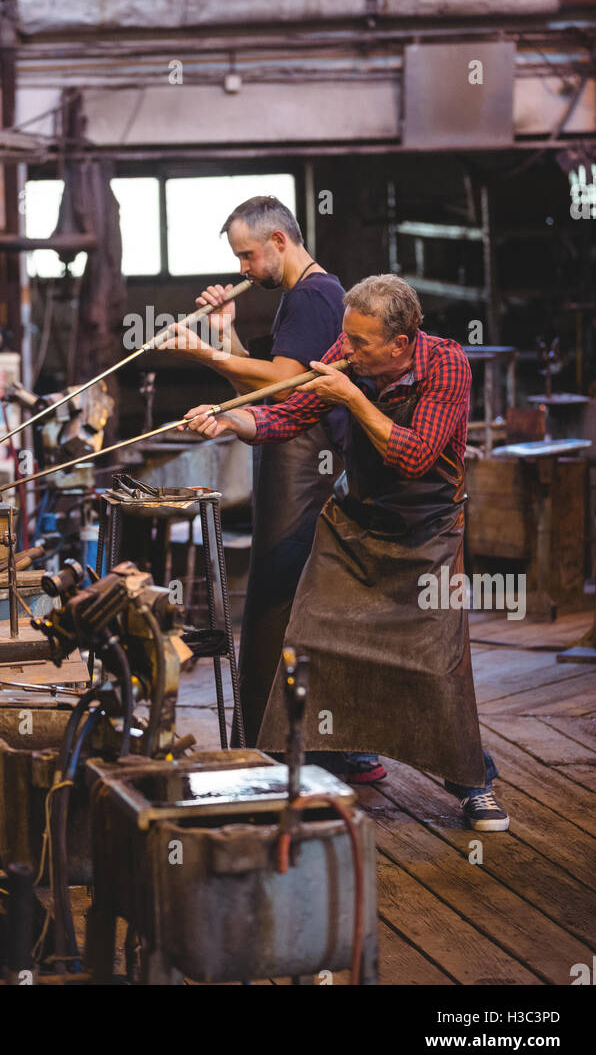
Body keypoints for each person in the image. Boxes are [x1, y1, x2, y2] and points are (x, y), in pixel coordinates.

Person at [182, 273, 509, 830]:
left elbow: (414, 456)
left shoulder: (448, 366)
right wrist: (230, 419)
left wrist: (352, 396)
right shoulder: (351, 349)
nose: (346, 351)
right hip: (353, 525)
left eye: (360, 344)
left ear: (400, 343)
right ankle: (296, 773)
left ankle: (472, 782)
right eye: (347, 340)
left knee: (438, 666)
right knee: (309, 641)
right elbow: (289, 414)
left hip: (426, 535)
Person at [159, 196, 382, 782]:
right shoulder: (297, 297)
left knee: (288, 606)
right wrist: (225, 335)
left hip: (310, 470)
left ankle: (289, 749)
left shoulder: (314, 295)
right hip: (289, 460)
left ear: (280, 241)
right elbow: (265, 387)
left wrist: (205, 354)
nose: (243, 269)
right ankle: (291, 745)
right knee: (275, 605)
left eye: (248, 255)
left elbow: (289, 383)